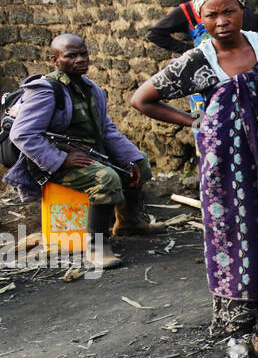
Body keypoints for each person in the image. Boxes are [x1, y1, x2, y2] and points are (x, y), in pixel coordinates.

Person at [131, 0, 258, 357]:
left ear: (241, 9)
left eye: (228, 11)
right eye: (211, 14)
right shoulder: (197, 61)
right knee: (244, 238)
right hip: (229, 171)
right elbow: (142, 99)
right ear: (200, 17)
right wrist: (195, 123)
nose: (221, 21)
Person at [4, 35, 156, 270]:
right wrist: (61, 159)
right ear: (55, 60)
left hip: (87, 154)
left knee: (140, 162)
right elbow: (22, 134)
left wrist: (129, 158)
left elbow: (106, 131)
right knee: (104, 178)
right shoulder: (45, 90)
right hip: (49, 163)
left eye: (83, 54)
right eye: (71, 55)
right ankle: (97, 247)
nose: (80, 59)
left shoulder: (91, 89)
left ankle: (129, 222)